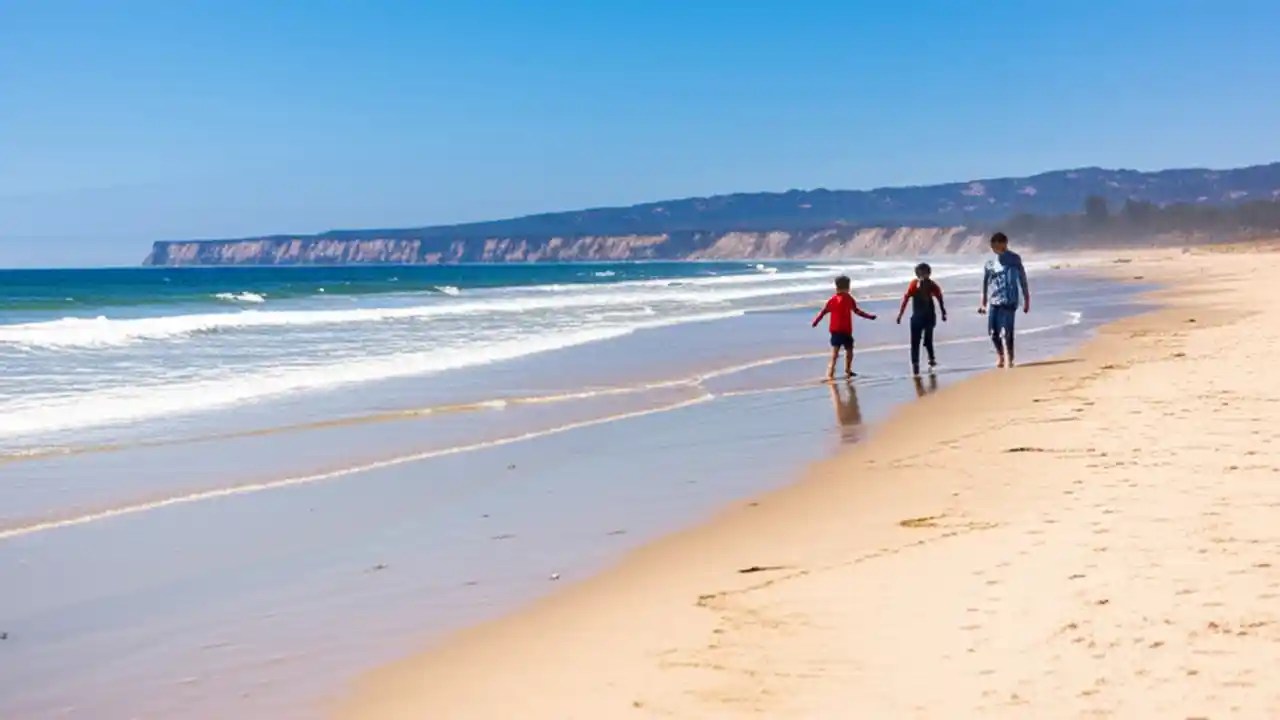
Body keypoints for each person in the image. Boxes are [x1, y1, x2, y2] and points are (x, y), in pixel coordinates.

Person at [979, 232, 1030, 367]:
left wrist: (1026, 299)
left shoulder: (1014, 259)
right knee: (992, 332)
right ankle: (1001, 355)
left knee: (1007, 332)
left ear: (1004, 244)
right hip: (994, 301)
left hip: (1009, 301)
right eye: (992, 247)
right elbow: (985, 283)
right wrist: (983, 303)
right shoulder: (990, 264)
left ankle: (1010, 357)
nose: (995, 249)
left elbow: (1023, 279)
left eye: (997, 246)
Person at [812, 275, 876, 379]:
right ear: (847, 287)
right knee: (849, 351)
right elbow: (857, 311)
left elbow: (824, 312)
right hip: (845, 330)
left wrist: (816, 321)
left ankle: (831, 373)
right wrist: (869, 316)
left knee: (835, 353)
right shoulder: (848, 298)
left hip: (836, 330)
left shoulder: (833, 300)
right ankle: (847, 370)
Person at [895, 262, 948, 376]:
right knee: (915, 342)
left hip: (929, 317)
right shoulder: (914, 285)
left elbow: (939, 298)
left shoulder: (933, 285)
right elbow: (906, 298)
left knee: (928, 340)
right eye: (920, 273)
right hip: (917, 318)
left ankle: (931, 357)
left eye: (925, 273)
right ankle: (915, 364)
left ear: (929, 273)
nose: (922, 275)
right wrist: (900, 314)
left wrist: (943, 312)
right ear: (917, 274)